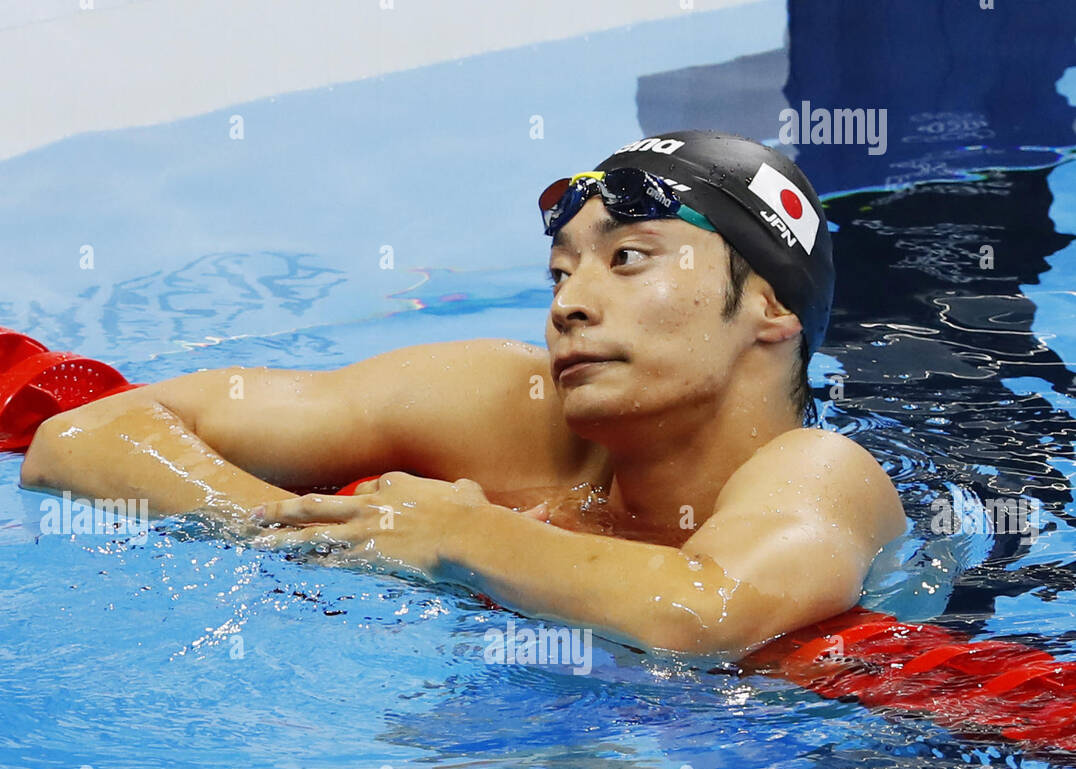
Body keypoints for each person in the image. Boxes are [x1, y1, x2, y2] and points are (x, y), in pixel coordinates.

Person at [19, 130, 905, 658]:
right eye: (562, 270)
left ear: (768, 306)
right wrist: (292, 531)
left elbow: (706, 612)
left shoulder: (823, 472)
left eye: (627, 258)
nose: (571, 301)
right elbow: (80, 436)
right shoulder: (510, 403)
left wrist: (459, 533)